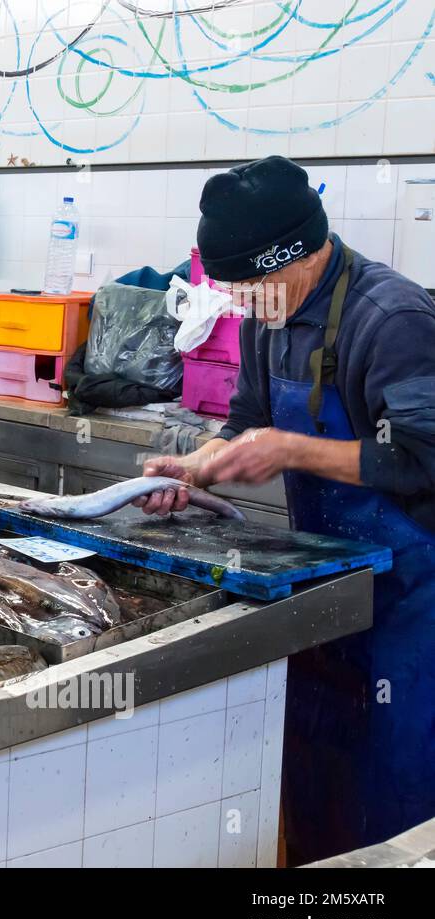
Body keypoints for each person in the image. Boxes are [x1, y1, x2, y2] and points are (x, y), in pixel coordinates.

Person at [135, 155, 435, 865]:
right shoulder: (265, 320)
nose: (240, 302)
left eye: (249, 283)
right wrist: (200, 465)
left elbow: (427, 459)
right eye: (230, 287)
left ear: (300, 252)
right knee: (313, 799)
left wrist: (293, 450)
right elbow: (245, 421)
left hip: (413, 615)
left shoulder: (392, 320)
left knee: (393, 818)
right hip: (328, 603)